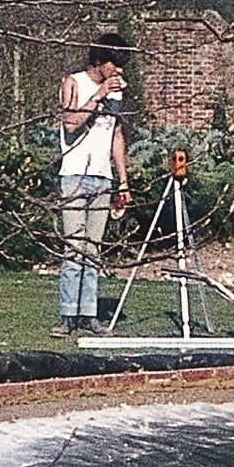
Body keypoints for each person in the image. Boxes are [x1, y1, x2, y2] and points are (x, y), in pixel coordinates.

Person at [53, 34, 132, 336]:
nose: (118, 71)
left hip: (102, 177)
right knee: (74, 248)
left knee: (93, 251)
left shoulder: (117, 94)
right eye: (114, 64)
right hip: (74, 174)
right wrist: (98, 94)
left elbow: (116, 136)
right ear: (99, 61)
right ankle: (67, 315)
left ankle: (89, 314)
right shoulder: (73, 83)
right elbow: (71, 124)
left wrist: (122, 181)